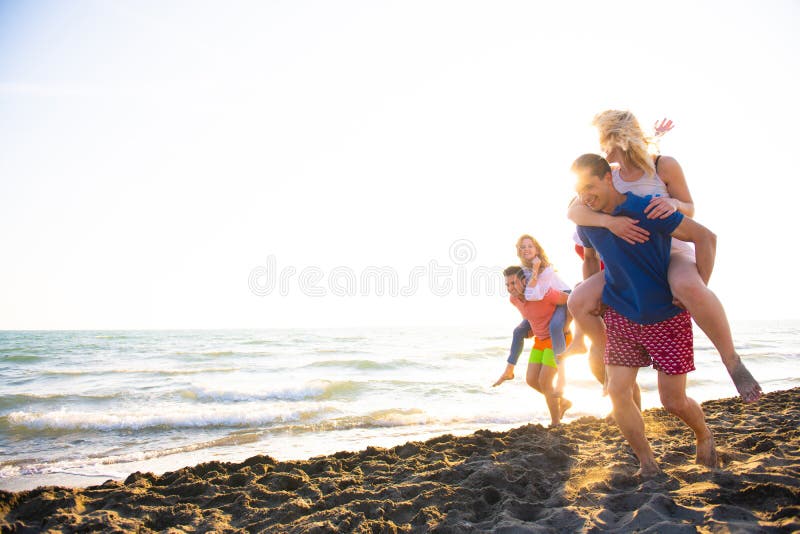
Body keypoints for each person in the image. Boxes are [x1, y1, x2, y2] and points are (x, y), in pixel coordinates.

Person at [567, 110, 761, 403]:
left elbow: (690, 207)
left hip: (672, 250)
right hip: (632, 260)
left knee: (690, 288)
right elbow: (574, 210)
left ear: (616, 135)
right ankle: (610, 358)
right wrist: (610, 223)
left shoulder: (663, 165)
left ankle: (732, 360)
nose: (602, 146)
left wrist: (672, 203)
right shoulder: (610, 174)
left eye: (603, 138)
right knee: (578, 300)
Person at [570, 153, 718, 477]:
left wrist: (696, 290)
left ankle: (704, 433)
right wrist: (594, 292)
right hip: (623, 315)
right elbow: (590, 259)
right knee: (617, 392)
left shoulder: (646, 208)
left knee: (673, 401)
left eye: (591, 187)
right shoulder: (586, 219)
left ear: (609, 178)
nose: (586, 196)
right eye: (580, 190)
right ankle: (647, 464)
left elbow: (706, 237)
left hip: (666, 316)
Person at [493, 235, 572, 394]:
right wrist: (529, 324)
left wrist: (536, 270)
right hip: (545, 298)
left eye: (530, 246)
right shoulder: (524, 270)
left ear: (537, 249)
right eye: (522, 247)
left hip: (562, 297)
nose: (526, 249)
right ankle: (509, 369)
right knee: (518, 331)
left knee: (555, 327)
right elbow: (527, 299)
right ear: (518, 251)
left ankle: (562, 376)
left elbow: (532, 295)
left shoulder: (545, 268)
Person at [502, 264, 572, 427]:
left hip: (557, 340)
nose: (510, 288)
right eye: (507, 285)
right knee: (532, 380)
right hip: (540, 341)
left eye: (513, 283)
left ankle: (556, 423)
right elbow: (532, 317)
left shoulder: (543, 293)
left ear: (524, 281)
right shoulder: (514, 300)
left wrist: (567, 323)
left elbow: (571, 301)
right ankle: (563, 401)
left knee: (545, 381)